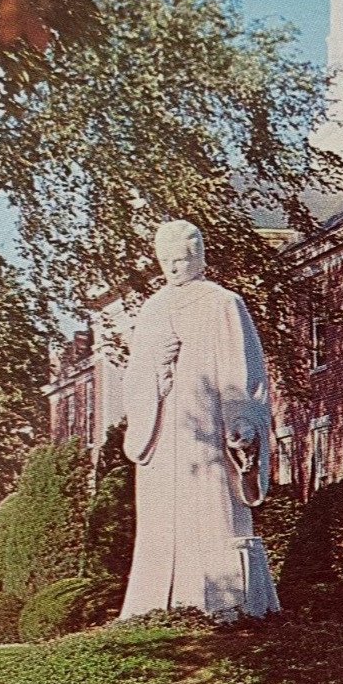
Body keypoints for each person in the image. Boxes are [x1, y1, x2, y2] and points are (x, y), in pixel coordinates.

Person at [117, 220, 280, 621]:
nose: (174, 268)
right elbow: (134, 378)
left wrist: (243, 419)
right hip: (163, 435)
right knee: (161, 520)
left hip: (208, 434)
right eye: (167, 261)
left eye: (182, 259)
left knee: (213, 512)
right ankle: (156, 608)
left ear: (199, 257)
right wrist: (156, 366)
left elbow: (245, 369)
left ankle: (227, 608)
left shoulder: (222, 303)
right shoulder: (152, 309)